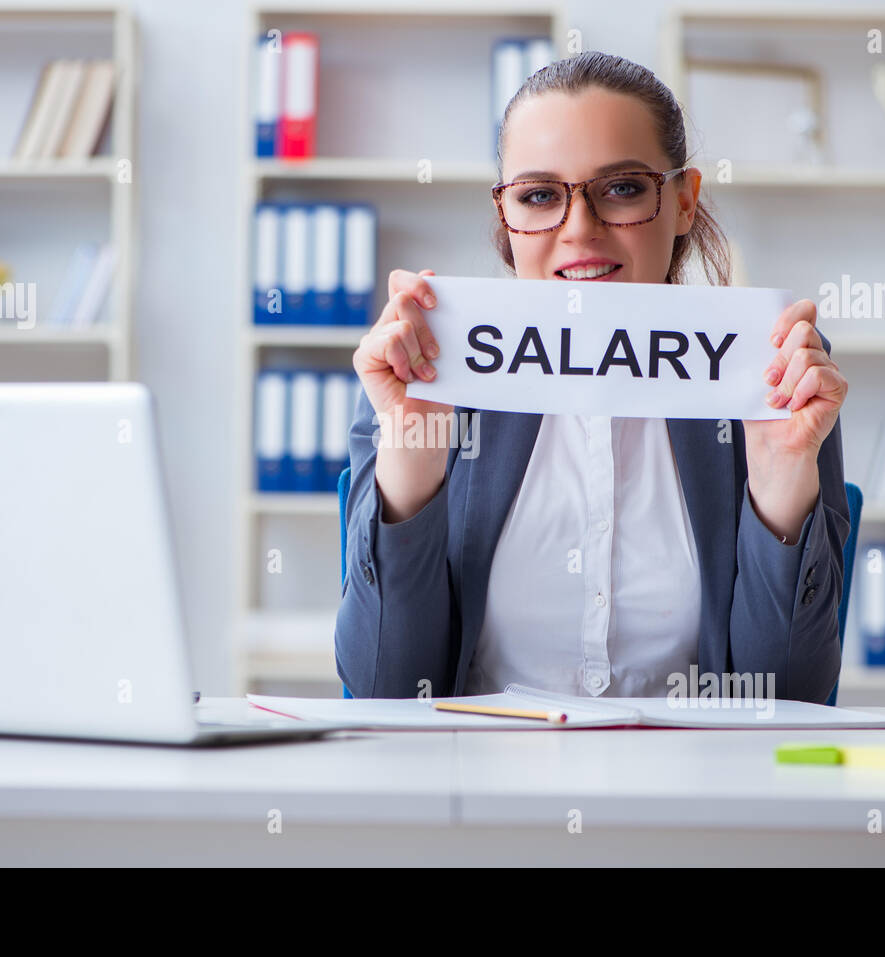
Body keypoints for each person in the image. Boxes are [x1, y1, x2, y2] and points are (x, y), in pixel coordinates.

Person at [336, 51, 849, 702]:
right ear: (506, 215)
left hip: (697, 791)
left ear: (684, 202)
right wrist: (410, 462)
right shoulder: (424, 367)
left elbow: (790, 700)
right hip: (484, 784)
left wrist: (779, 485)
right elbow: (384, 687)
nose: (579, 230)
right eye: (540, 195)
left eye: (623, 188)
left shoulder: (773, 370)